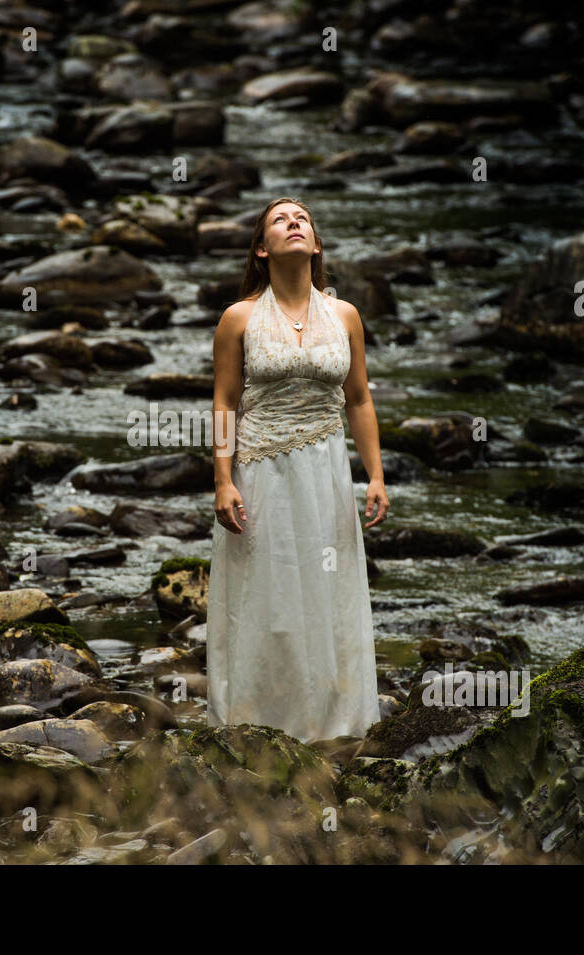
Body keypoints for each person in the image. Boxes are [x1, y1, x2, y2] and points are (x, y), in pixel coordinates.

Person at [207, 196, 388, 743]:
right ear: (262, 248)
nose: (295, 223)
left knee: (328, 590)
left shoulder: (345, 315)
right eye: (281, 219)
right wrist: (222, 479)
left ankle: (335, 724)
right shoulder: (238, 318)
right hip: (261, 472)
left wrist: (375, 475)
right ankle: (255, 726)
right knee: (267, 593)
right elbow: (224, 402)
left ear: (315, 243)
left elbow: (357, 398)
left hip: (328, 470)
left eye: (302, 218)